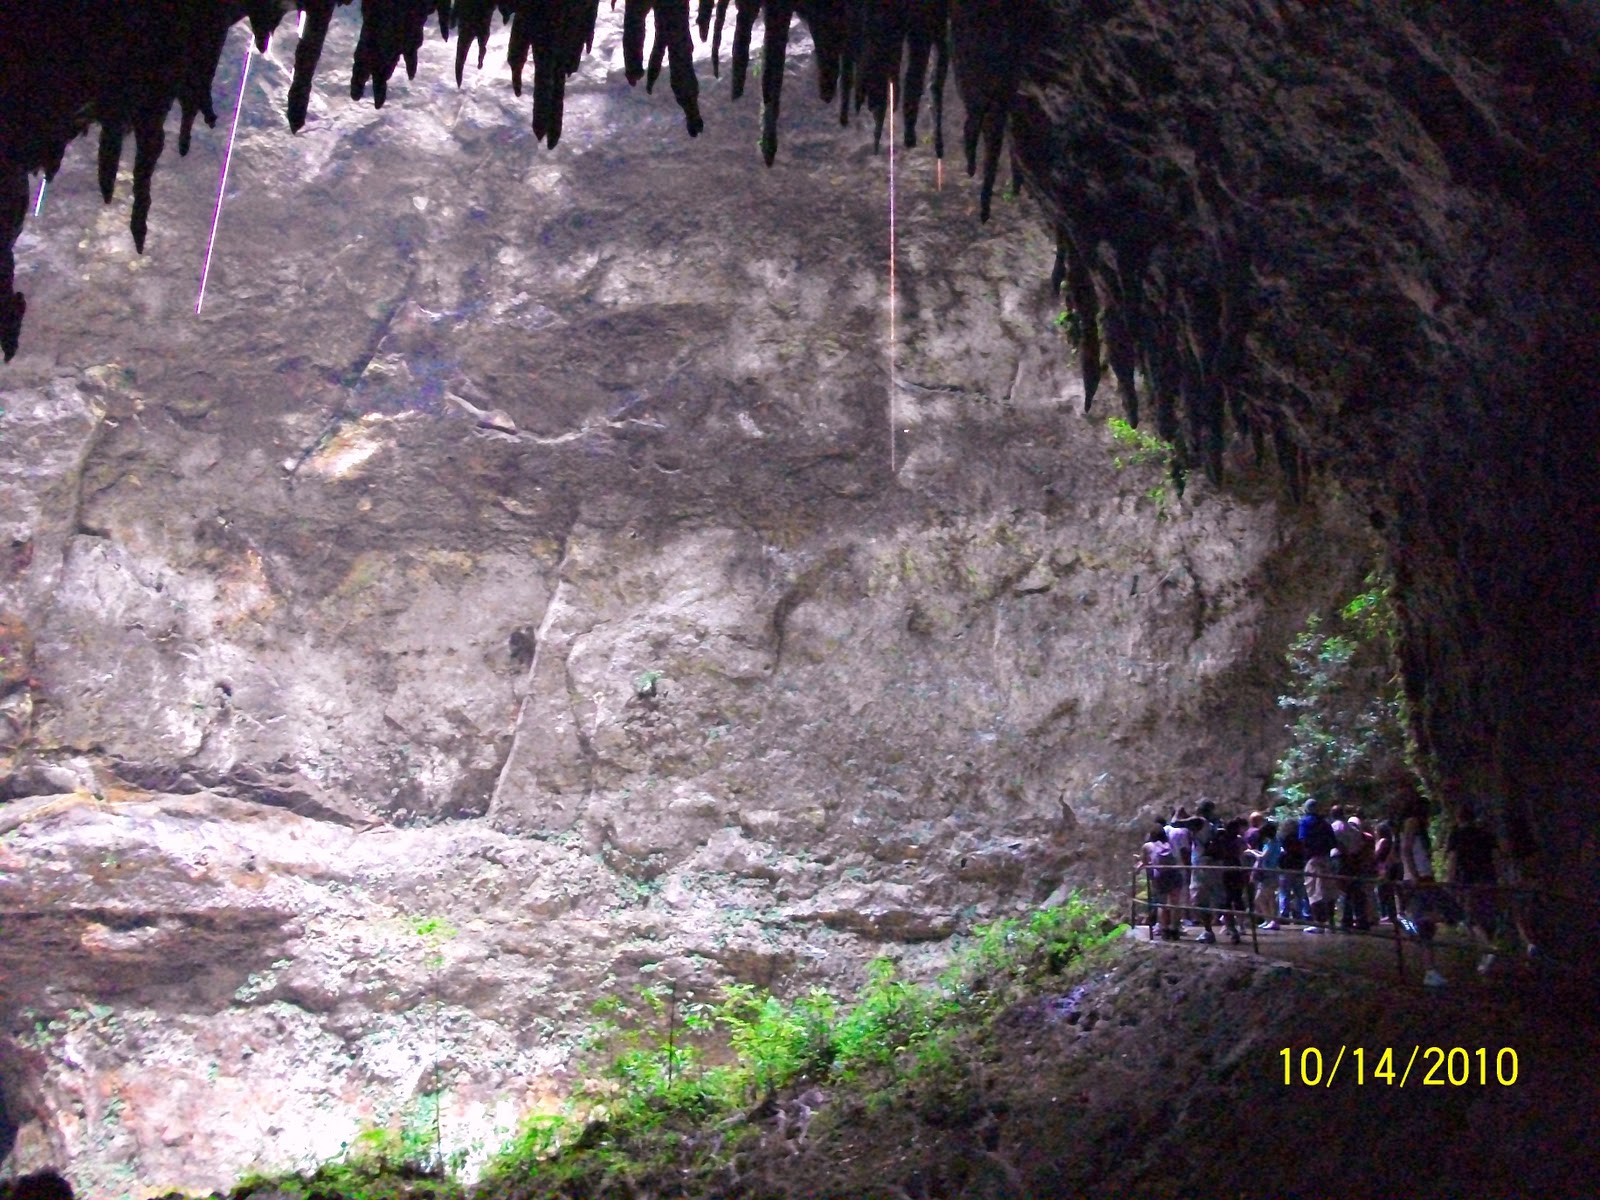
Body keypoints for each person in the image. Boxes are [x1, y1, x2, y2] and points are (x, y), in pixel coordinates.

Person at [1446, 807, 1500, 971]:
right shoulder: (1485, 834)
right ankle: (1485, 955)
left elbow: (1453, 859)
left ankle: (1488, 949)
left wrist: (1449, 880)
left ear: (1458, 818)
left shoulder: (1457, 835)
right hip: (1489, 878)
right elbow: (1496, 856)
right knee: (1487, 915)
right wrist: (1499, 875)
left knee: (1470, 917)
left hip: (1468, 880)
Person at [1401, 815, 1448, 987]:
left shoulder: (1407, 829)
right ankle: (1430, 970)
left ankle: (1430, 969)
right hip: (1421, 878)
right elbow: (1405, 850)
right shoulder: (1412, 822)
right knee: (1433, 918)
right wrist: (1415, 876)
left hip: (1422, 877)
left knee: (1429, 922)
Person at [1191, 801, 1241, 945]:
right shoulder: (1217, 824)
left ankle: (1208, 932)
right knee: (1221, 899)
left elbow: (1176, 823)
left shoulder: (1199, 822)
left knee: (1200, 899)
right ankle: (1232, 930)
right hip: (1217, 865)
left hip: (1202, 866)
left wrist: (1177, 814)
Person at [1298, 799, 1339, 933]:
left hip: (1313, 859)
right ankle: (1331, 922)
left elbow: (1303, 840)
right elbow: (1334, 842)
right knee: (1328, 891)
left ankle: (1319, 924)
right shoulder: (1325, 823)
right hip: (1326, 859)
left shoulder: (1305, 822)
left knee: (1314, 891)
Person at [1140, 825, 1184, 940]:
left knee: (1162, 904)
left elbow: (1144, 862)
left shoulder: (1148, 846)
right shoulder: (1170, 844)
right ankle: (1175, 930)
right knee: (1175, 904)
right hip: (1175, 874)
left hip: (1161, 877)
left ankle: (1164, 930)